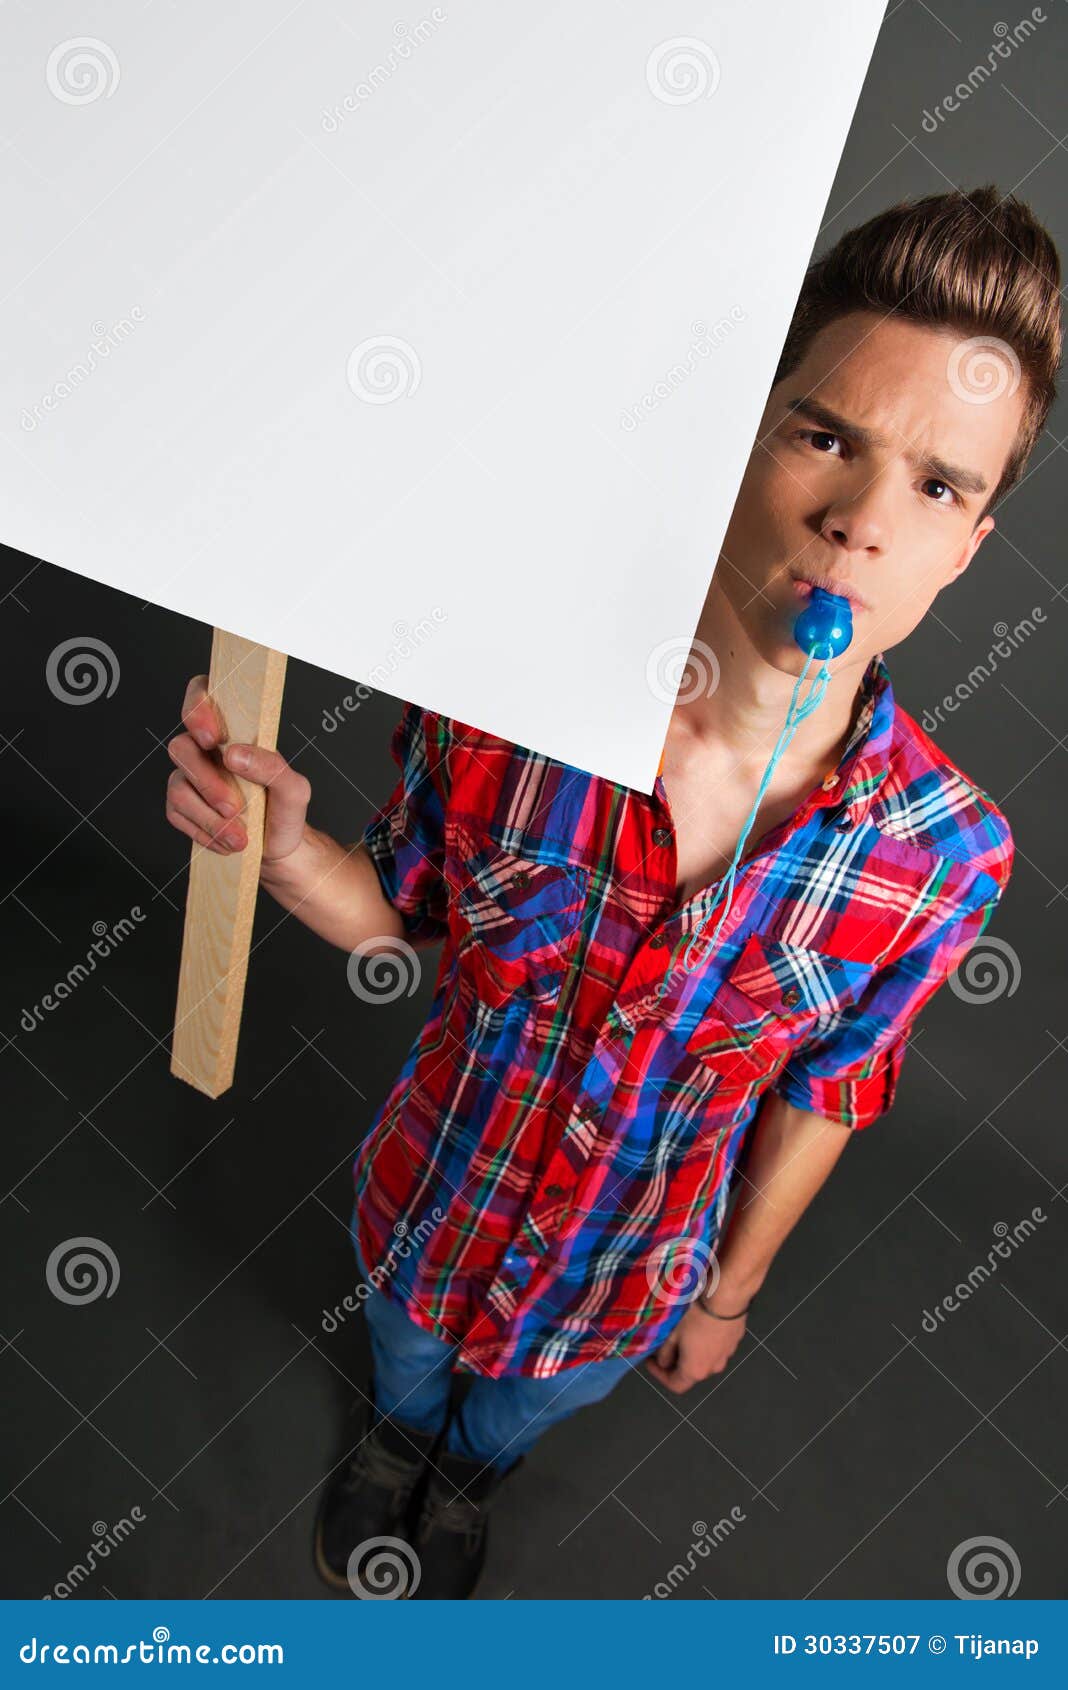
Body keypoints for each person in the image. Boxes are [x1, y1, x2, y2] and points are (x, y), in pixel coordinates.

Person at [164, 186, 1061, 1601]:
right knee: (406, 1365)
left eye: (937, 486)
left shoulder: (944, 858)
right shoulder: (511, 705)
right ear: (743, 439)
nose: (857, 523)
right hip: (421, 1217)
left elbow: (828, 1092)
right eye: (826, 436)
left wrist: (728, 1291)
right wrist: (282, 850)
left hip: (618, 1290)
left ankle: (475, 1467)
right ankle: (400, 1435)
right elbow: (401, 920)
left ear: (967, 544)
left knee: (516, 1415)